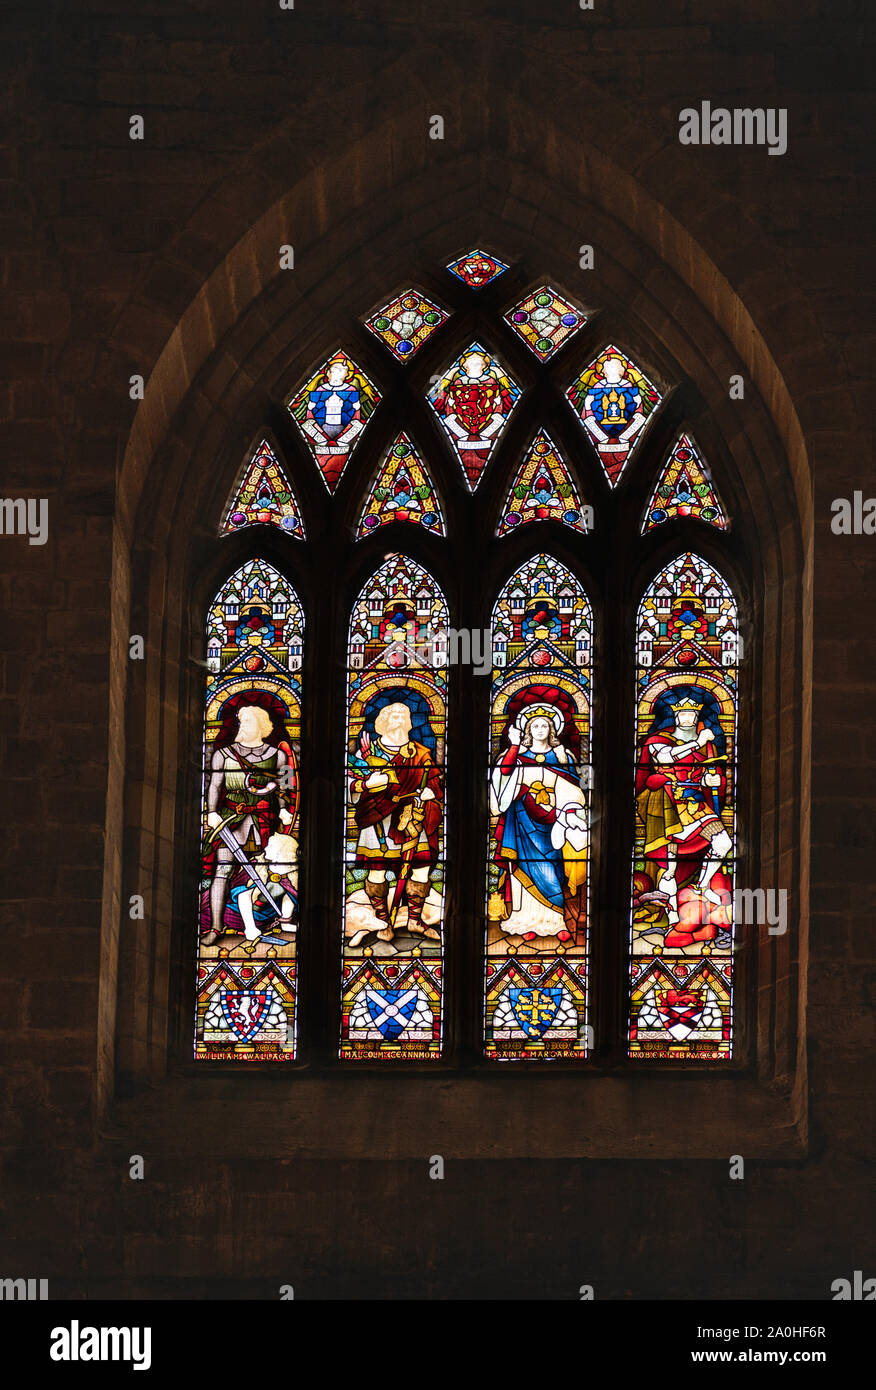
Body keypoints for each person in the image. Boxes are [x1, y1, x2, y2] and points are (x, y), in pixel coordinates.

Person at [635, 692, 732, 940]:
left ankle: (702, 885)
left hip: (696, 805)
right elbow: (666, 757)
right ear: (676, 716)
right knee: (670, 866)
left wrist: (712, 780)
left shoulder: (707, 745)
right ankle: (673, 917)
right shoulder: (658, 739)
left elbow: (705, 775)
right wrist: (698, 742)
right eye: (683, 713)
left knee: (723, 842)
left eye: (692, 714)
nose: (688, 718)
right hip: (668, 806)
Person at [347, 700, 442, 946]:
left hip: (412, 817)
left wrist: (432, 792)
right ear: (383, 722)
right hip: (376, 817)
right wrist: (367, 785)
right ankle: (383, 922)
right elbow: (351, 783)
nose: (399, 721)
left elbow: (433, 781)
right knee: (377, 869)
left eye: (404, 716)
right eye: (394, 716)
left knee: (420, 867)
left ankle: (414, 919)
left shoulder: (420, 753)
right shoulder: (367, 753)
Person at [491, 703, 588, 941]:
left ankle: (554, 921)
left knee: (553, 869)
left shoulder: (563, 755)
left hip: (554, 819)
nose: (540, 729)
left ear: (553, 729)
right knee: (523, 867)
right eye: (535, 725)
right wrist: (514, 746)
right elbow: (503, 776)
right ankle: (524, 921)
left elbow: (574, 784)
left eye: (545, 725)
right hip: (521, 819)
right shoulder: (515, 754)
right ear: (527, 730)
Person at [202, 703, 295, 945]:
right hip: (231, 819)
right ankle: (215, 927)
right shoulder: (223, 755)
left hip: (265, 820)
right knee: (222, 870)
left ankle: (267, 921)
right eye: (242, 722)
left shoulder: (278, 755)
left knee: (269, 871)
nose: (244, 726)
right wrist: (211, 812)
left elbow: (286, 785)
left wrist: (284, 809)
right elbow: (214, 785)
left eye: (250, 721)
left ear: (263, 726)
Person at [231, 831, 298, 942]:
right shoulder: (256, 865)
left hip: (268, 917)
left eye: (270, 846)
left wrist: (285, 923)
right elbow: (243, 894)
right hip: (240, 912)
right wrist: (250, 927)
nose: (265, 848)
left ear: (282, 851)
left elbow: (289, 897)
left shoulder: (292, 874)